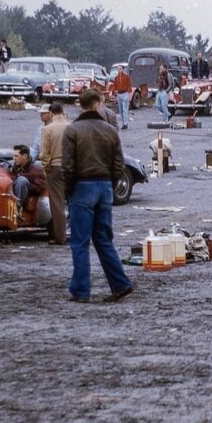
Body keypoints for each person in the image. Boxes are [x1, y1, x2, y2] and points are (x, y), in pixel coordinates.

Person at [62, 89, 134, 304]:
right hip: (105, 186)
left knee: (80, 242)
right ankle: (120, 283)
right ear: (99, 103)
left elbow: (67, 165)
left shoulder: (72, 130)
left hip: (82, 186)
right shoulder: (110, 131)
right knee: (103, 239)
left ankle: (81, 290)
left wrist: (69, 190)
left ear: (80, 105)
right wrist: (109, 185)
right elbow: (120, 164)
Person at [38, 103, 68, 244]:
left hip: (55, 168)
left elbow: (44, 154)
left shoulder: (47, 129)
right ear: (63, 111)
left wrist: (46, 167)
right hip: (71, 168)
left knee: (57, 204)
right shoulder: (71, 127)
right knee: (74, 202)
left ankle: (60, 236)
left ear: (51, 113)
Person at [10, 144, 47, 214]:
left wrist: (27, 183)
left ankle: (17, 210)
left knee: (22, 180)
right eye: (13, 156)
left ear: (25, 156)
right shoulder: (11, 169)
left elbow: (39, 188)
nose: (13, 158)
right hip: (9, 195)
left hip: (24, 198)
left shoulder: (37, 171)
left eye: (16, 156)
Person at [111, 65, 132, 130]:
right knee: (121, 110)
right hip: (119, 94)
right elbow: (114, 85)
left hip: (125, 93)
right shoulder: (116, 78)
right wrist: (113, 92)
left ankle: (125, 124)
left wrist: (128, 92)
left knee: (125, 109)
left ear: (123, 69)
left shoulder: (126, 77)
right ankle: (123, 124)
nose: (119, 70)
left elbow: (129, 84)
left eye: (120, 69)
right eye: (118, 69)